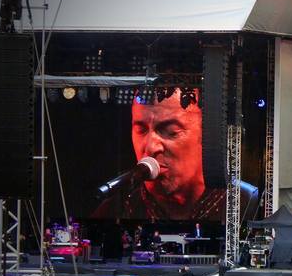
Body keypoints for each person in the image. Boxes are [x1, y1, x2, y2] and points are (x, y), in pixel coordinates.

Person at [92, 88, 225, 220]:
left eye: (171, 131)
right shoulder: (114, 210)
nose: (151, 147)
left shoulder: (242, 205)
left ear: (208, 136)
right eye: (140, 130)